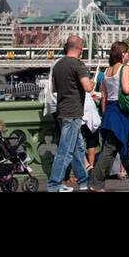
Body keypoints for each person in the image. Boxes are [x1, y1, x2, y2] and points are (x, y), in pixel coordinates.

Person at [90, 41, 129, 191]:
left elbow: (104, 96)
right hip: (120, 112)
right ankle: (95, 183)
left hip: (110, 110)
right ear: (123, 54)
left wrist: (104, 114)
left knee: (123, 144)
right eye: (128, 53)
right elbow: (126, 88)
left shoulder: (107, 71)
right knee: (111, 148)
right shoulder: (124, 69)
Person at [46, 34, 95, 192]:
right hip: (73, 112)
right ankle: (54, 184)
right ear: (80, 48)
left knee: (78, 148)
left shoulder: (58, 64)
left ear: (67, 46)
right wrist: (92, 81)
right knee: (65, 150)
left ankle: (83, 181)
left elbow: (54, 88)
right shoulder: (78, 65)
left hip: (61, 110)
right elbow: (87, 87)